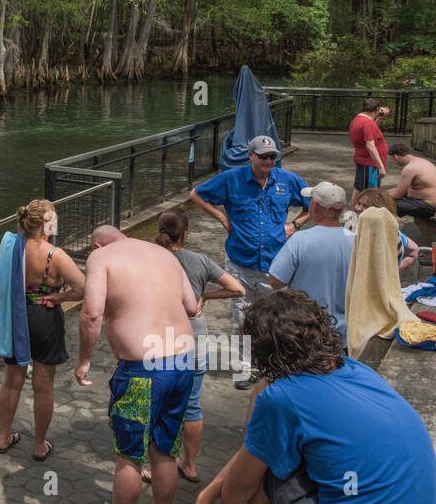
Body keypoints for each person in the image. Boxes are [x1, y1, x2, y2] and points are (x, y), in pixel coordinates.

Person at [189, 288, 436, 504]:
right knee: (275, 450)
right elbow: (256, 447)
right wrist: (207, 495)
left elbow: (239, 487)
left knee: (271, 467)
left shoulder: (281, 398)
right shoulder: (355, 369)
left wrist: (213, 503)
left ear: (260, 351)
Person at [75, 226, 199, 504]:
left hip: (143, 373)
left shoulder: (101, 257)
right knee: (165, 450)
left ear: (96, 244)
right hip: (183, 364)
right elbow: (193, 306)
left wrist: (84, 360)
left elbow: (92, 312)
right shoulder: (165, 254)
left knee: (129, 456)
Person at [189, 134, 310, 388]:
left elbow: (314, 203)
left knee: (275, 317)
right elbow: (196, 194)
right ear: (251, 156)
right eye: (263, 156)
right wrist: (221, 217)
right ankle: (246, 368)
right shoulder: (231, 179)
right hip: (239, 261)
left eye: (273, 157)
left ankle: (273, 365)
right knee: (242, 317)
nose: (269, 161)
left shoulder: (287, 181)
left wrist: (296, 224)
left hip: (274, 264)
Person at [151, 208, 245, 483]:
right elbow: (238, 289)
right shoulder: (200, 260)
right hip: (194, 339)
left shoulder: (152, 258)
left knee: (157, 403)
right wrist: (205, 296)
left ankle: (155, 463)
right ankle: (189, 465)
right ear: (186, 234)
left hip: (161, 339)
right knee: (191, 405)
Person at [0, 200, 85, 463]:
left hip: (16, 318)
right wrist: (58, 297)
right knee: (43, 385)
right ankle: (39, 445)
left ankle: (3, 436)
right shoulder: (56, 255)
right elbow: (83, 289)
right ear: (47, 224)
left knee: (11, 381)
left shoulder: (7, 247)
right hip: (44, 317)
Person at [267, 183, 355, 347]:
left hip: (306, 331)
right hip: (345, 334)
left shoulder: (301, 240)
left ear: (315, 206)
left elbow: (275, 282)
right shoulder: (356, 241)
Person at [351, 188, 419, 272]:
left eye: (365, 206)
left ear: (380, 211)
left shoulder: (390, 234)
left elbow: (414, 252)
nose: (358, 208)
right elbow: (414, 251)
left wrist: (394, 271)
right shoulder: (393, 232)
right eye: (358, 203)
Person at [386, 143, 436, 219]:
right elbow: (401, 189)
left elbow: (397, 194)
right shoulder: (421, 161)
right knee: (387, 197)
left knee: (384, 204)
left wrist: (378, 196)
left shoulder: (410, 168)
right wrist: (383, 192)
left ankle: (389, 228)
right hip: (430, 203)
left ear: (395, 157)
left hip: (427, 207)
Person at [349, 98, 389, 194]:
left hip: (364, 160)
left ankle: (355, 208)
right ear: (375, 110)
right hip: (369, 163)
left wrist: (379, 117)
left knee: (359, 189)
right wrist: (381, 167)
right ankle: (367, 209)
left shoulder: (359, 119)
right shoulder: (367, 123)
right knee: (369, 193)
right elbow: (370, 146)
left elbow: (372, 129)